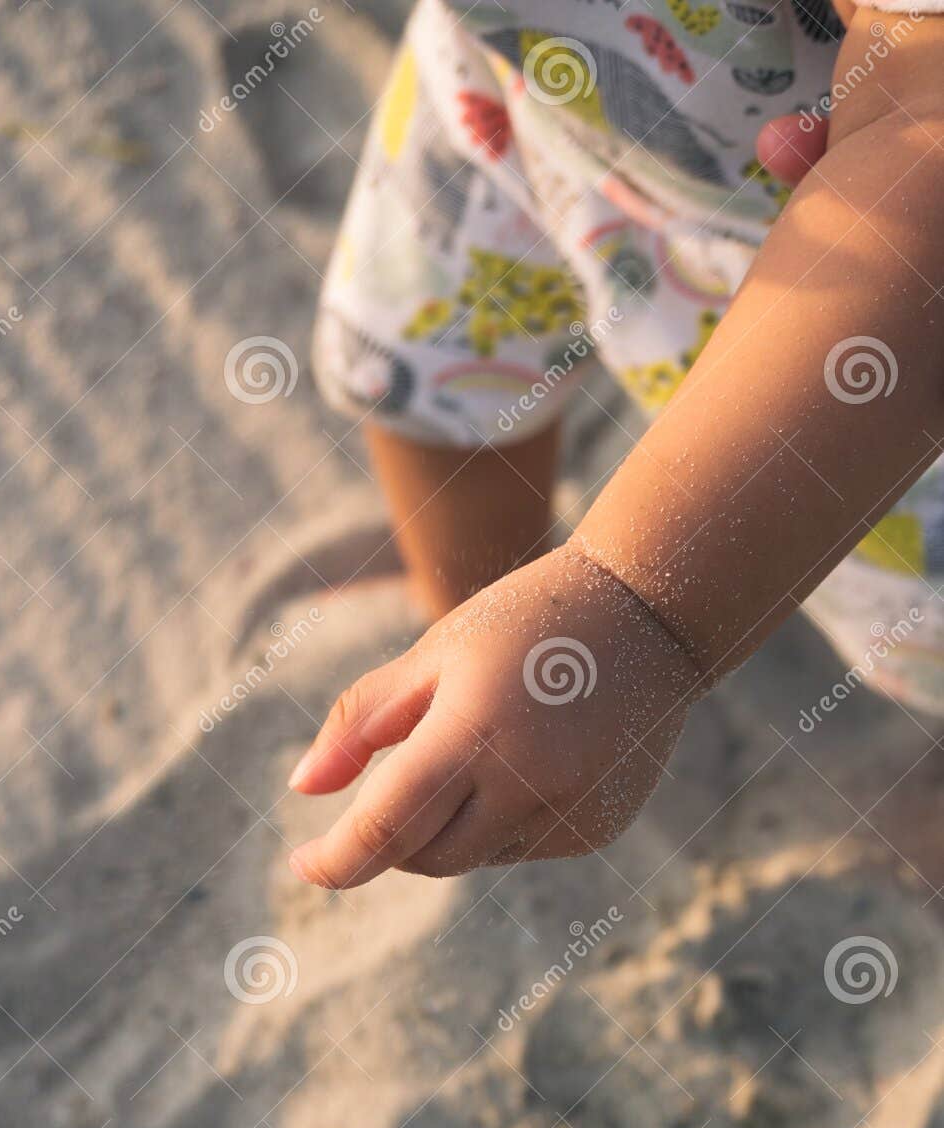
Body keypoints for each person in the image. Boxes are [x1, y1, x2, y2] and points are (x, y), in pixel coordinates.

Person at [290, 0, 943, 889]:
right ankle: (472, 661)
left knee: (913, 604)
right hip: (518, 79)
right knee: (428, 368)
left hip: (862, 273)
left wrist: (640, 610)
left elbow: (926, 128)